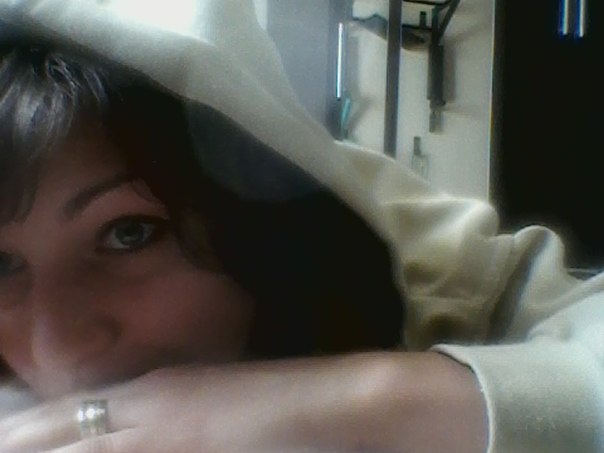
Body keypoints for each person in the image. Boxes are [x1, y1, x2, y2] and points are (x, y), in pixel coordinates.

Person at [0, 0, 602, 452]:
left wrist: (359, 402)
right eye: (2, 265)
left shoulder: (408, 243)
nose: (57, 348)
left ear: (258, 227)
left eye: (129, 233)